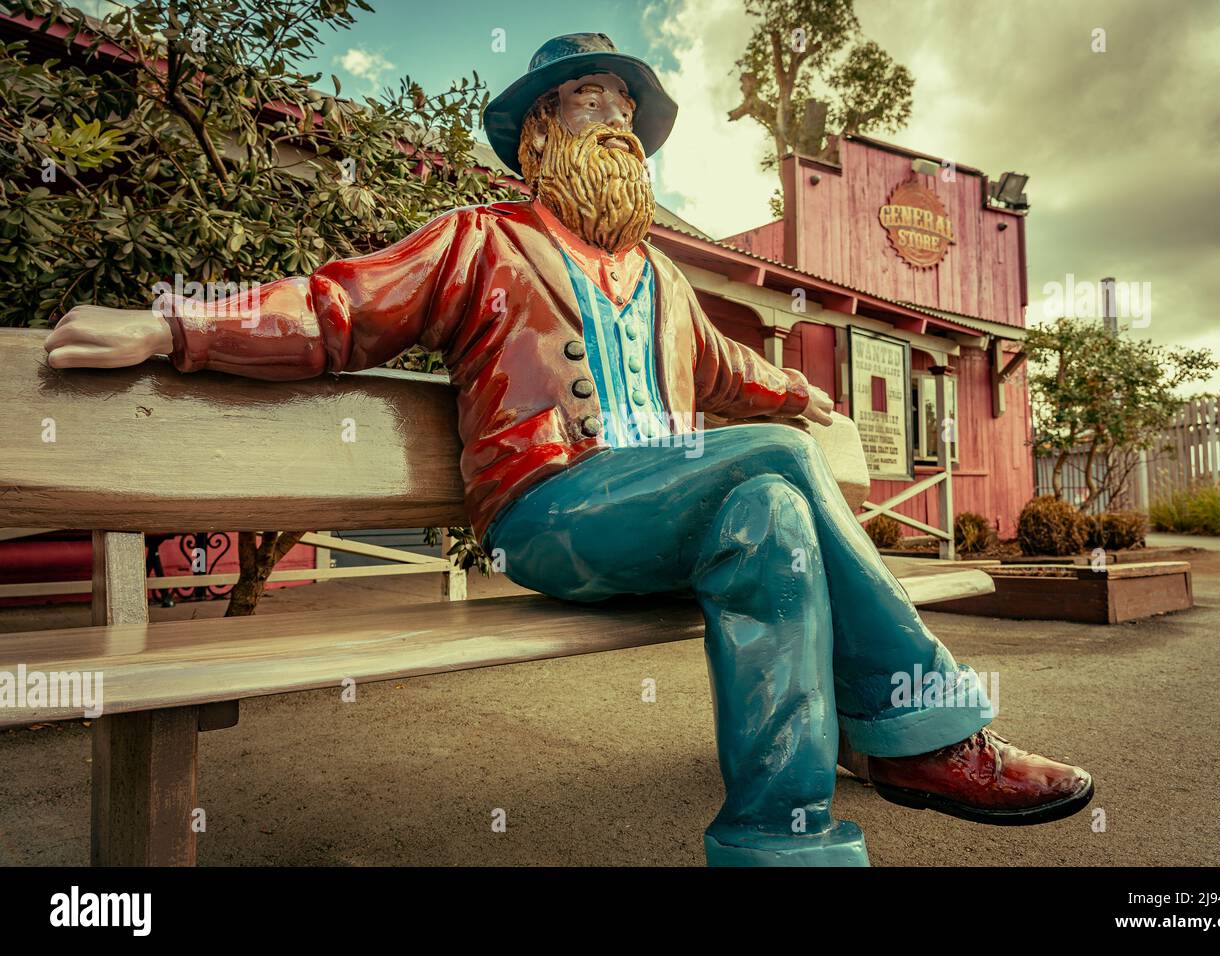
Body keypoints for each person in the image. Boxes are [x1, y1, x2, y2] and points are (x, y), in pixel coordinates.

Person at [44, 32, 1092, 866]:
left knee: (770, 511)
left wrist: (799, 383)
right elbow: (338, 310)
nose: (618, 125)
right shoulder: (479, 240)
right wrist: (176, 325)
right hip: (547, 518)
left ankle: (785, 844)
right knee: (770, 461)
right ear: (538, 134)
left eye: (627, 111)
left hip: (664, 526)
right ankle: (927, 734)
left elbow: (731, 369)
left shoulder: (666, 279)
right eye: (592, 103)